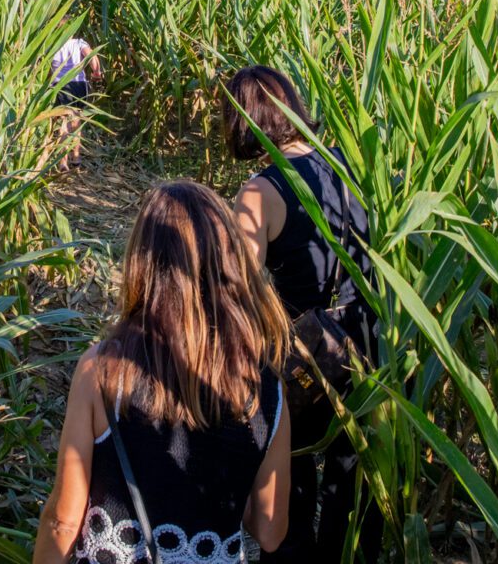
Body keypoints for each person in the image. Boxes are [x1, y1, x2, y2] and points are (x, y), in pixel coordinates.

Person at [33, 181, 292, 564]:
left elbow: (63, 522)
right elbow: (269, 531)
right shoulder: (264, 389)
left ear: (142, 264)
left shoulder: (103, 371)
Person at [220, 65, 379, 562]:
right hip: (372, 341)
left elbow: (237, 291)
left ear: (245, 121)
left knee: (289, 478)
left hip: (308, 356)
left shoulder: (260, 192)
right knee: (351, 485)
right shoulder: (351, 161)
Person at [51, 34, 102, 170]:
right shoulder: (78, 42)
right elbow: (91, 56)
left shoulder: (53, 43)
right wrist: (97, 72)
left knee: (63, 122)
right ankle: (76, 158)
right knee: (76, 121)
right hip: (79, 85)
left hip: (60, 85)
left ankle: (63, 162)